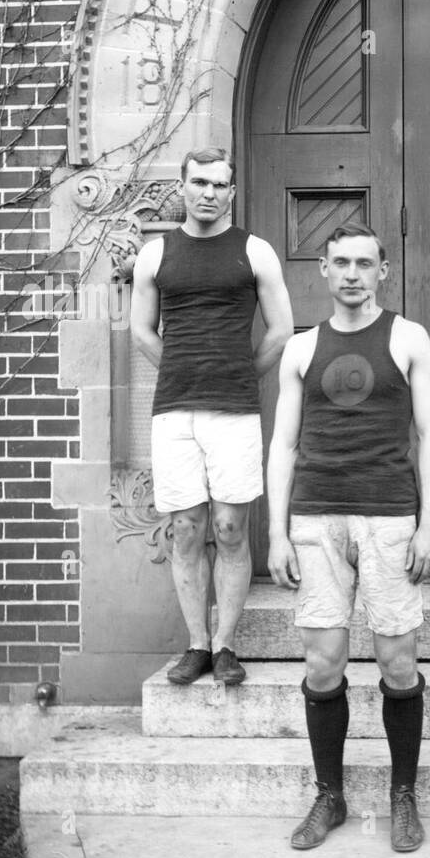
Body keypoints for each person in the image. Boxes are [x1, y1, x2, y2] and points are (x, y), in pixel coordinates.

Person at [266, 223, 430, 854]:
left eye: (364, 263)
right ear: (322, 268)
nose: (351, 273)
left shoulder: (407, 337)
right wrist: (278, 531)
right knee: (323, 663)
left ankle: (403, 796)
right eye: (340, 262)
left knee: (398, 663)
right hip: (315, 516)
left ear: (383, 271)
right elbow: (283, 443)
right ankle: (329, 796)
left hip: (390, 516)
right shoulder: (300, 348)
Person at [130, 146, 294, 688]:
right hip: (175, 410)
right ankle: (197, 644)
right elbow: (142, 331)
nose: (208, 193)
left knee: (228, 528)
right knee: (185, 529)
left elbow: (280, 331)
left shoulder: (256, 252)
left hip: (235, 410)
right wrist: (182, 366)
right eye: (198, 182)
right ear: (182, 185)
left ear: (231, 191)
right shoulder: (156, 255)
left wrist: (243, 374)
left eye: (219, 185)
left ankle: (226, 646)